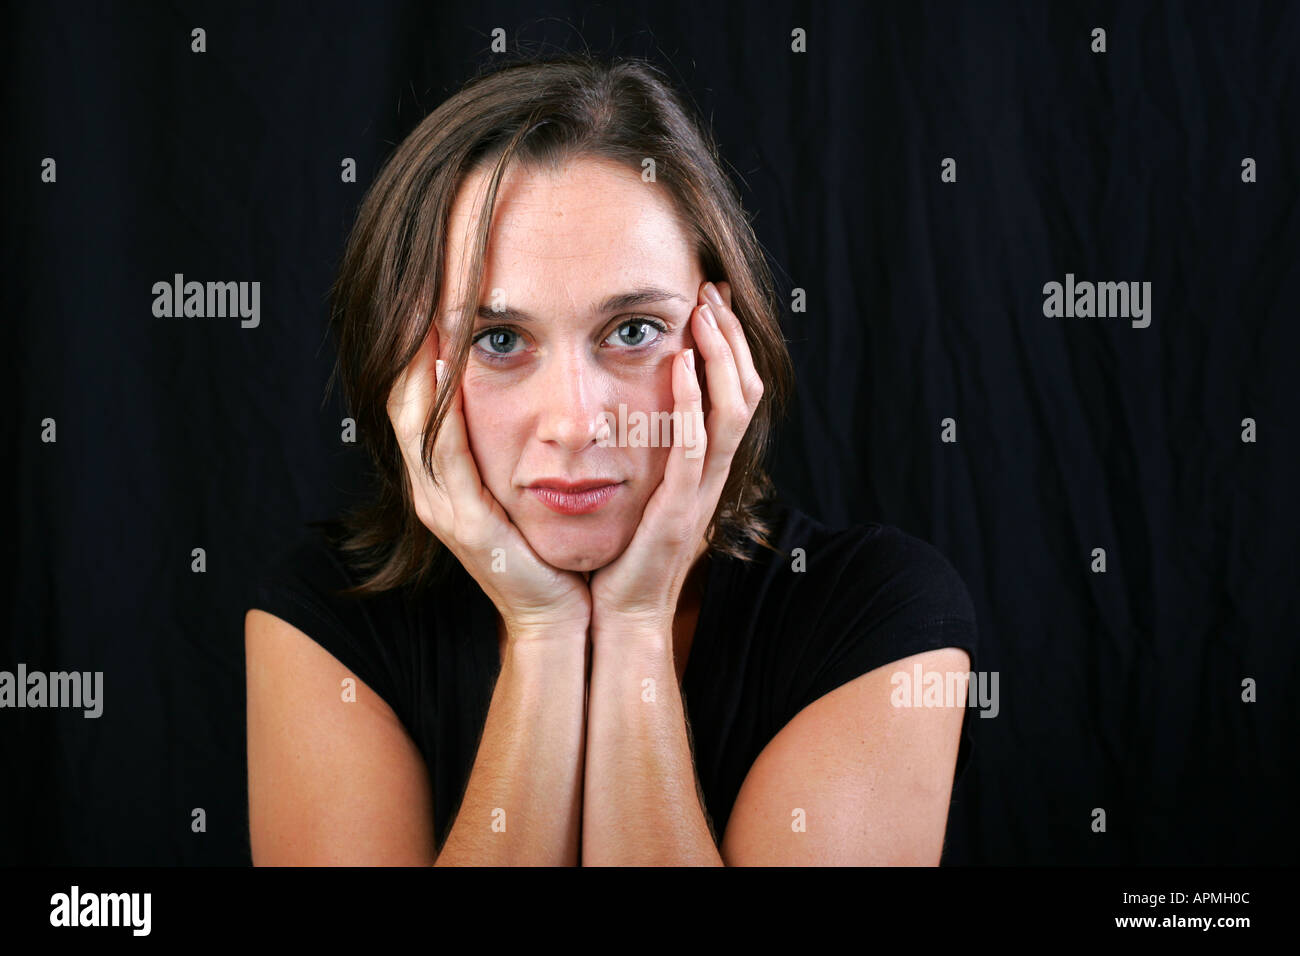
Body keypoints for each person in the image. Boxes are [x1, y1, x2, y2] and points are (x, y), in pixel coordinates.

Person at [245, 53, 978, 866]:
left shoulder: (877, 614)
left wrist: (633, 627)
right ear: (409, 371)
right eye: (498, 340)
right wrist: (545, 633)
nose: (576, 422)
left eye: (632, 331)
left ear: (717, 343)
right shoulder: (322, 618)